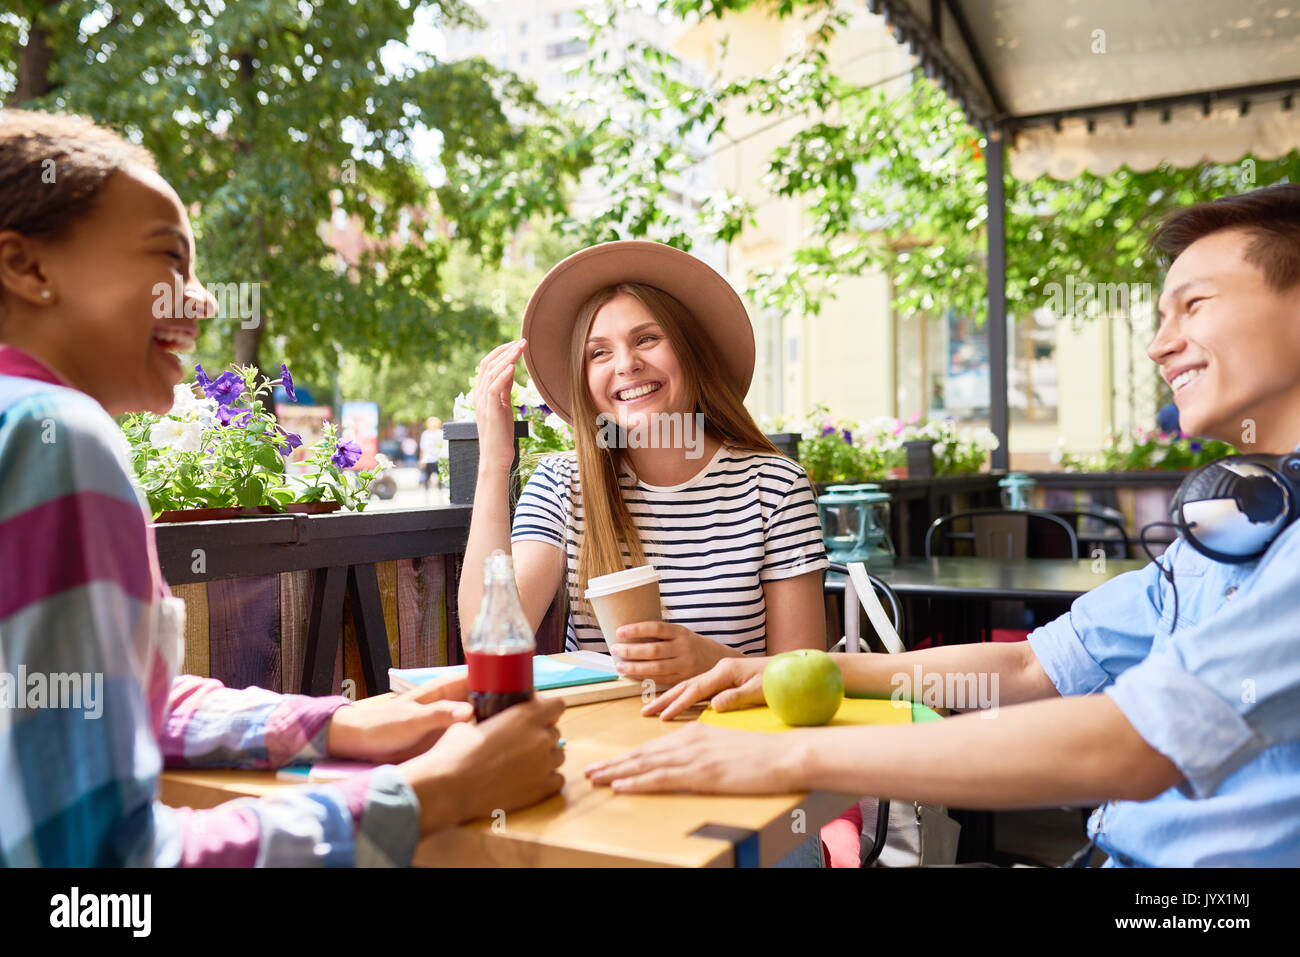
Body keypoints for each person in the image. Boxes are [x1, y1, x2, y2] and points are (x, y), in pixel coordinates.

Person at [586, 183, 1300, 867]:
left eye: (1193, 306)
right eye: (1159, 317)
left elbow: (1134, 744)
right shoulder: (1230, 537)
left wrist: (783, 754)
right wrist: (788, 670)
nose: (1159, 345)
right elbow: (1026, 666)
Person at [0, 110, 564, 867]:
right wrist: (431, 793)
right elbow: (98, 877)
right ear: (27, 267)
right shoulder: (58, 439)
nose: (200, 301)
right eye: (170, 260)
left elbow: (110, 700)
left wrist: (336, 725)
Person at [459, 241, 829, 689]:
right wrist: (494, 463)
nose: (627, 364)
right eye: (599, 353)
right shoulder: (562, 485)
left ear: (691, 352)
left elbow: (807, 678)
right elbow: (489, 638)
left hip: (733, 743)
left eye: (647, 339)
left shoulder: (774, 486)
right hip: (604, 746)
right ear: (585, 381)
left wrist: (712, 661)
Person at [419, 415, 443, 492]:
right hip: (428, 458)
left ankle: (440, 493)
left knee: (440, 478)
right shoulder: (425, 434)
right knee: (427, 478)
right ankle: (427, 494)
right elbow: (423, 448)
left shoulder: (440, 433)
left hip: (438, 458)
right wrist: (421, 459)